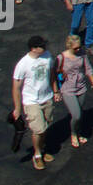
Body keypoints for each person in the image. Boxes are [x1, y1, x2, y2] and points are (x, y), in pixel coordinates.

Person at [12, 36, 60, 170]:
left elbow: (52, 74)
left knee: (46, 126)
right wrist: (17, 108)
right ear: (33, 49)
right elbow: (16, 87)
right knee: (39, 130)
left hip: (47, 97)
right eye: (42, 46)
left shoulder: (47, 56)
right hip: (31, 101)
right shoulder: (23, 64)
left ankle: (42, 148)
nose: (45, 48)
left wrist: (55, 91)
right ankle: (37, 154)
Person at [57, 34, 93, 148]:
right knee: (76, 115)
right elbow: (54, 74)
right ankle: (73, 133)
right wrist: (56, 91)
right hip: (68, 89)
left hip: (81, 87)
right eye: (75, 48)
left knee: (79, 114)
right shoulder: (61, 58)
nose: (78, 49)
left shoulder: (82, 54)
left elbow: (88, 69)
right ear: (69, 46)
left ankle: (79, 131)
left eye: (79, 47)